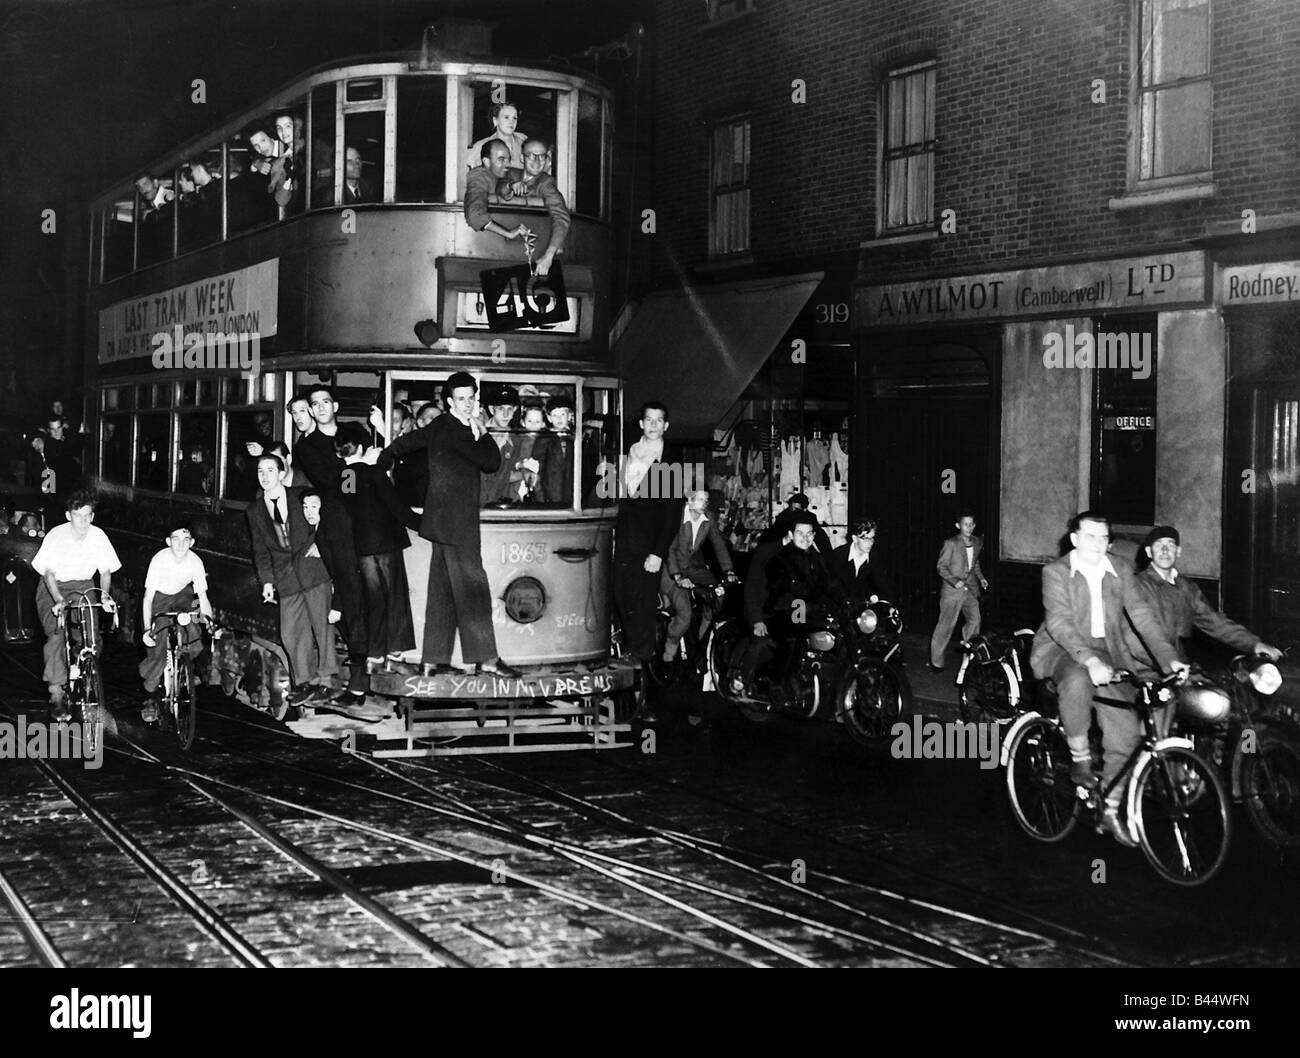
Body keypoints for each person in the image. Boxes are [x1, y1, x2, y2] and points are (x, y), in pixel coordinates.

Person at [1029, 511, 1187, 846]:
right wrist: (1087, 660)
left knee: (1128, 731)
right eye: (1090, 537)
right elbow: (1059, 623)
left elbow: (1142, 617)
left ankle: (1110, 809)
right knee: (1077, 680)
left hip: (1109, 653)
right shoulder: (1055, 572)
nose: (1098, 544)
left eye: (1103, 538)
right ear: (1074, 539)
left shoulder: (1121, 569)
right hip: (1062, 649)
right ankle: (1080, 759)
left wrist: (1169, 660)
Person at [376, 372, 519, 677]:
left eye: (471, 398)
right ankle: (487, 659)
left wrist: (385, 456)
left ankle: (433, 661)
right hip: (457, 525)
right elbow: (492, 462)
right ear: (450, 401)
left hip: (441, 523)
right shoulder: (458, 430)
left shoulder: (440, 424)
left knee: (442, 593)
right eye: (462, 399)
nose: (468, 404)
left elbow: (408, 442)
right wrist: (483, 431)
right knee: (474, 589)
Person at [245, 454, 338, 704]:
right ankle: (304, 681)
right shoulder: (254, 510)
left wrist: (321, 543)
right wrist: (266, 581)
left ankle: (327, 681)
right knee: (291, 633)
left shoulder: (301, 495)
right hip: (285, 576)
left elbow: (331, 516)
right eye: (260, 472)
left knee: (322, 627)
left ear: (281, 472)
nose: (265, 476)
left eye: (270, 471)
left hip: (314, 569)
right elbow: (260, 550)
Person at [1125, 525, 1282, 671]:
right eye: (1159, 545)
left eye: (1171, 545)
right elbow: (1134, 638)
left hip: (1181, 667)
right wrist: (1167, 664)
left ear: (1178, 551)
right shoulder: (1138, 585)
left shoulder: (1187, 587)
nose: (1165, 550)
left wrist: (1254, 644)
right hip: (1148, 670)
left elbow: (1214, 622)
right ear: (1148, 551)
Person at [30, 490, 121, 720]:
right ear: (68, 515)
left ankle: (84, 666)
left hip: (83, 585)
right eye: (78, 515)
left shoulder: (98, 536)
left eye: (87, 515)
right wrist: (59, 600)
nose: (83, 521)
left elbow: (106, 571)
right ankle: (57, 693)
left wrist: (104, 596)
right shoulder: (56, 535)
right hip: (54, 587)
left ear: (92, 516)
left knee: (91, 637)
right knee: (56, 635)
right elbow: (48, 574)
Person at [335, 422, 418, 666]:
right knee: (394, 595)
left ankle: (375, 651)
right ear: (362, 447)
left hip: (362, 546)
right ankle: (395, 647)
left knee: (374, 598)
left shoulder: (345, 476)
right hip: (386, 542)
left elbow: (348, 503)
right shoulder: (375, 474)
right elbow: (397, 508)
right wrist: (425, 524)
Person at [613, 401, 683, 664]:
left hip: (650, 542)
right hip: (624, 537)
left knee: (642, 599)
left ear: (665, 426)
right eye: (648, 420)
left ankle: (641, 652)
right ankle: (633, 643)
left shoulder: (670, 458)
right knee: (620, 591)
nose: (653, 425)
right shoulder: (627, 451)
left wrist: (658, 552)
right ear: (641, 423)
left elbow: (673, 512)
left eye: (658, 421)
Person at [299, 489, 369, 705]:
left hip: (352, 588)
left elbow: (346, 569)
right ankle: (357, 689)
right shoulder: (320, 531)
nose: (309, 512)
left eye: (314, 506)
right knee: (353, 636)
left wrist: (337, 605)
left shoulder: (332, 530)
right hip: (347, 587)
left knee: (357, 637)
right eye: (305, 507)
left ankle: (358, 692)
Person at [139, 526, 213, 723]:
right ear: (168, 541)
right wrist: (148, 630)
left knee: (194, 629)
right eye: (176, 539)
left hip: (182, 595)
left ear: (192, 542)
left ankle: (185, 667)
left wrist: (209, 622)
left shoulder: (195, 561)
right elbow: (147, 598)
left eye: (186, 539)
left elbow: (202, 597)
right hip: (159, 598)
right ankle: (150, 695)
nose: (181, 544)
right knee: (158, 646)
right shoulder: (159, 560)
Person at [660, 489, 738, 665]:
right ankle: (670, 647)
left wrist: (728, 571)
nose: (705, 503)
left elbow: (719, 545)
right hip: (670, 569)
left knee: (717, 594)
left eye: (706, 500)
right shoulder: (677, 517)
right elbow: (669, 549)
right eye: (701, 500)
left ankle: (701, 643)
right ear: (690, 500)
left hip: (694, 568)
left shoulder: (708, 518)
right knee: (684, 613)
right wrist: (678, 576)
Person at [929, 510, 988, 672]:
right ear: (958, 525)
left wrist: (981, 577)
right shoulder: (951, 543)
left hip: (970, 590)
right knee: (946, 626)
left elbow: (974, 564)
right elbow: (941, 567)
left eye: (971, 524)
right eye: (965, 524)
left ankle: (969, 659)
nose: (968, 527)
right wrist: (955, 582)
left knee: (975, 620)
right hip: (952, 592)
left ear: (974, 525)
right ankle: (936, 662)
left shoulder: (977, 542)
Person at [501, 139, 570, 278]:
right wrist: (510, 186)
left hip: (529, 252)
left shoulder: (546, 183)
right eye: (531, 155)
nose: (537, 161)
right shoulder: (511, 174)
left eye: (542, 156)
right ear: (522, 158)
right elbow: (500, 186)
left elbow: (561, 217)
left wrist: (549, 255)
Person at [464, 140, 530, 245]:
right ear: (487, 162)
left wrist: (511, 186)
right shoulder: (479, 177)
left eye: (509, 159)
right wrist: (508, 233)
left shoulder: (501, 172)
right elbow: (475, 215)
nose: (507, 164)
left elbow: (502, 186)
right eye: (501, 159)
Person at [830, 518, 895, 605]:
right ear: (855, 538)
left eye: (872, 538)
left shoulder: (875, 558)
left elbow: (883, 586)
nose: (870, 543)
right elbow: (834, 587)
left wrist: (889, 605)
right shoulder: (838, 555)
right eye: (866, 538)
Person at [479, 384, 523, 505]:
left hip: (501, 504)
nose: (505, 414)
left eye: (509, 409)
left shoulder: (515, 440)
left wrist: (524, 473)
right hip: (476, 504)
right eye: (500, 409)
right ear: (491, 409)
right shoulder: (477, 434)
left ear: (514, 410)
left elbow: (507, 474)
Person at [534, 395, 576, 505]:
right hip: (549, 496)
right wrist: (541, 499)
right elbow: (537, 470)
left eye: (562, 414)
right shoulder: (544, 439)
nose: (559, 418)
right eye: (555, 415)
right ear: (549, 418)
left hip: (571, 497)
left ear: (570, 415)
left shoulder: (574, 438)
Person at [466, 102, 527, 170]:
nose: (511, 122)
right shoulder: (481, 146)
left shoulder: (523, 140)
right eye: (506, 117)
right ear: (495, 120)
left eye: (514, 118)